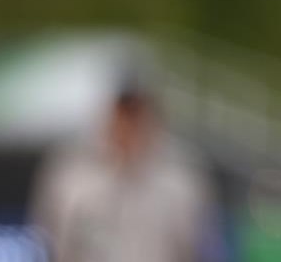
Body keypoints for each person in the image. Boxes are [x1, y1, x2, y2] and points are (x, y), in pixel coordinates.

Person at [27, 70, 218, 262]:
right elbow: (51, 238)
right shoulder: (72, 173)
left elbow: (200, 246)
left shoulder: (182, 176)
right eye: (123, 111)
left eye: (137, 111)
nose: (129, 123)